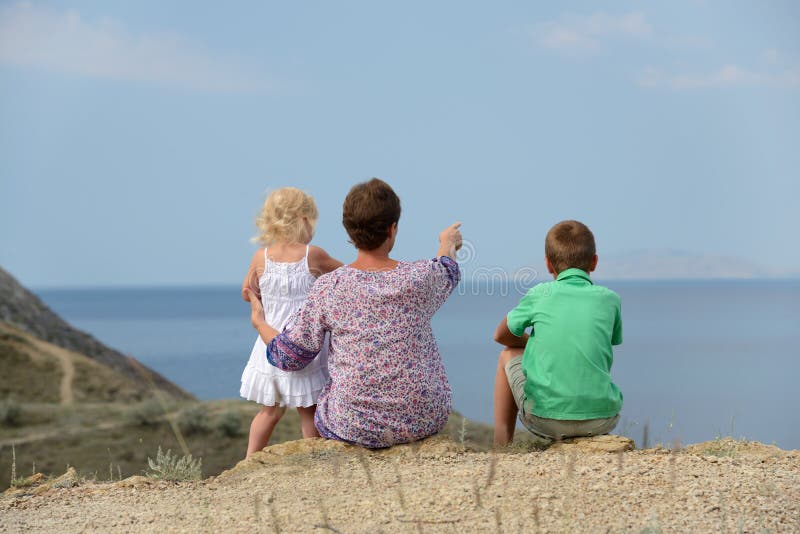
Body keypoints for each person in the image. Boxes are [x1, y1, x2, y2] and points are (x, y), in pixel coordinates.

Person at [246, 178, 462, 448]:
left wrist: (259, 321)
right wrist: (448, 242)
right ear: (393, 229)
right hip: (423, 419)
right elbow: (447, 269)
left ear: (348, 230)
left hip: (353, 425)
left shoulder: (329, 287)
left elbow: (290, 356)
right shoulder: (419, 278)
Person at [492, 220, 623, 447]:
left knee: (507, 354)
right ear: (594, 262)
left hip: (545, 419)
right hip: (602, 419)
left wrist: (531, 341)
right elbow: (606, 340)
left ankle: (501, 448)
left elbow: (500, 335)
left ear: (548, 264)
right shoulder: (610, 299)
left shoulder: (539, 294)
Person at [239, 187, 342, 457]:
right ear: (305, 220)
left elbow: (246, 290)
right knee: (309, 408)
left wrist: (258, 303)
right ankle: (314, 458)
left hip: (269, 341)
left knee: (270, 411)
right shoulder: (313, 255)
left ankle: (249, 459)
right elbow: (346, 275)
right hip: (305, 344)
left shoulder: (261, 257)